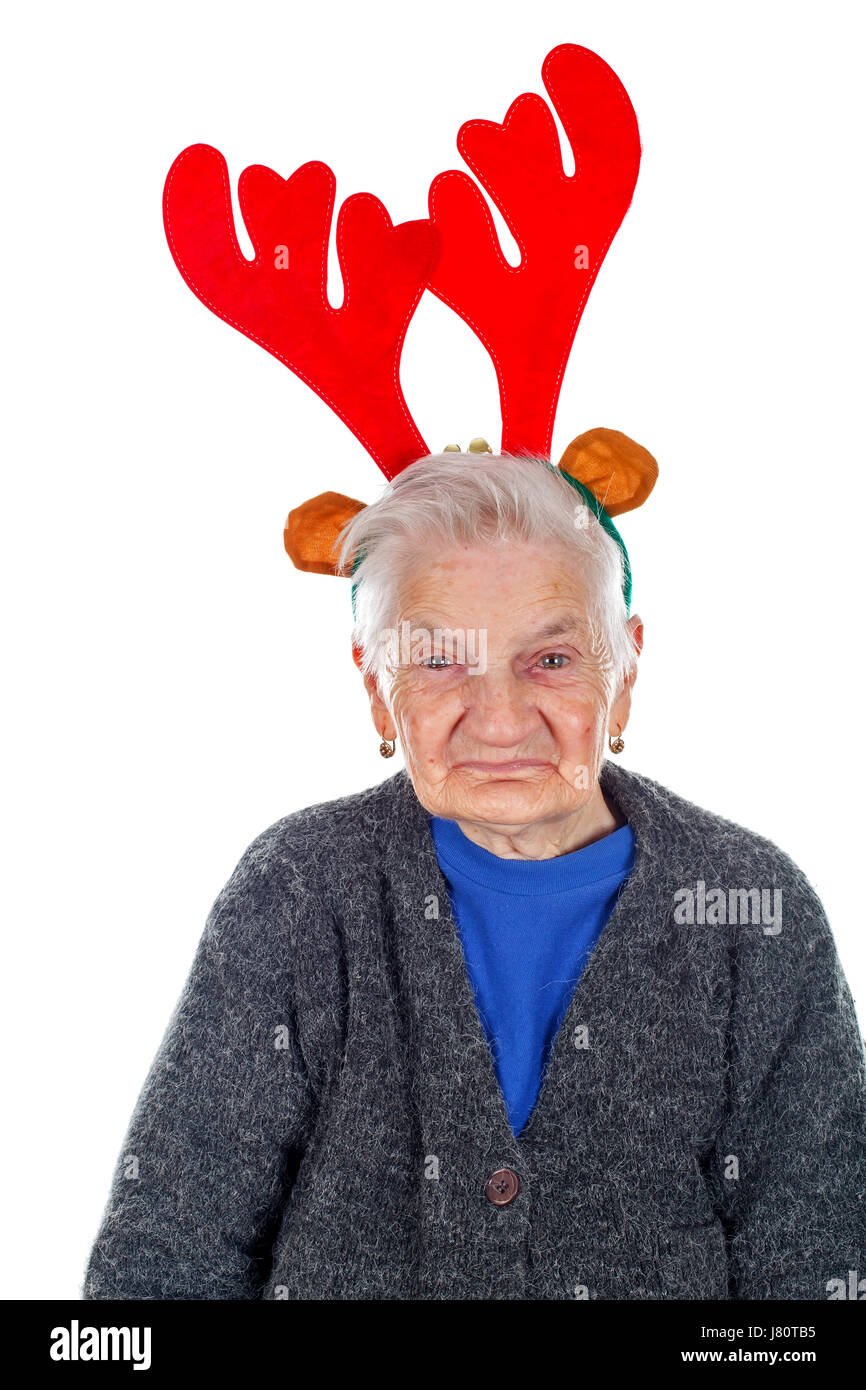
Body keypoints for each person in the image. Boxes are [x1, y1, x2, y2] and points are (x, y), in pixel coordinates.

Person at [83, 449, 866, 1300]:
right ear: (379, 690)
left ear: (627, 671)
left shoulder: (752, 911)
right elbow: (162, 1263)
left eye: (553, 659)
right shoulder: (297, 890)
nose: (498, 720)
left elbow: (816, 1274)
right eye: (440, 661)